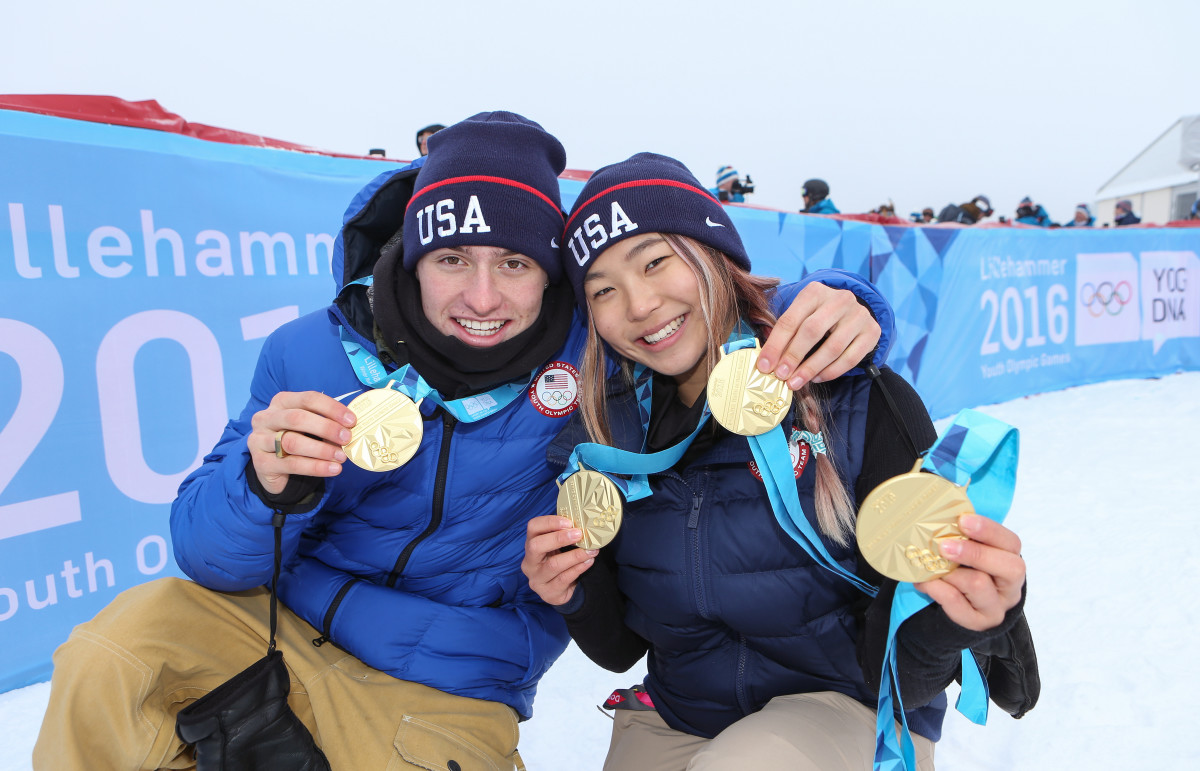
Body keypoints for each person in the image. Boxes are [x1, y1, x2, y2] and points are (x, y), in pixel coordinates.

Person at [33, 115, 888, 770]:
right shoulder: (313, 350)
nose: (482, 296)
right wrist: (260, 486)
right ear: (410, 255)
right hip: (270, 626)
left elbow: (707, 308)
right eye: (454, 260)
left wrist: (851, 300)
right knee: (115, 649)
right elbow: (208, 557)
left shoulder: (598, 360)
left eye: (515, 264)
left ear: (552, 273)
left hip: (445, 676)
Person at [523, 153, 1037, 770]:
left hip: (850, 710)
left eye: (656, 261)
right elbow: (620, 648)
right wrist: (572, 593)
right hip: (679, 715)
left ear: (715, 256)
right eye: (603, 289)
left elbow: (899, 666)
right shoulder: (605, 434)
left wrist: (955, 618)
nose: (638, 305)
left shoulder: (849, 396)